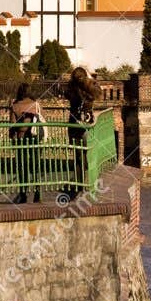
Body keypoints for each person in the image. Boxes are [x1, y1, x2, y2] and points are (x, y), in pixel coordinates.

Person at [60, 67, 99, 201]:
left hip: (73, 123)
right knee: (88, 152)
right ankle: (88, 180)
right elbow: (98, 93)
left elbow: (65, 94)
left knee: (77, 154)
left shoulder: (72, 89)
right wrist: (91, 80)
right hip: (87, 123)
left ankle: (79, 182)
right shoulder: (89, 88)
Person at [8, 83, 44, 204]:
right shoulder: (36, 105)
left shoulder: (15, 106)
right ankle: (37, 192)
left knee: (22, 166)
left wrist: (12, 137)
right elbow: (42, 119)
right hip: (35, 137)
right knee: (35, 164)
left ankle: (23, 193)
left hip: (21, 138)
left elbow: (12, 124)